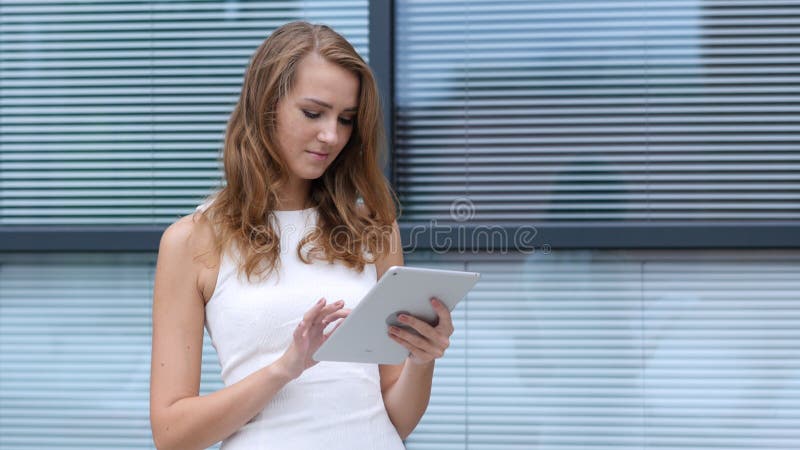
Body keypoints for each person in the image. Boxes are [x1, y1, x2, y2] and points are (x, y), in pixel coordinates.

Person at [149, 21, 454, 449]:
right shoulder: (192, 241)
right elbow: (172, 434)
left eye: (346, 119)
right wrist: (286, 367)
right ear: (265, 106)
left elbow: (395, 421)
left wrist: (422, 360)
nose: (332, 135)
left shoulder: (374, 231)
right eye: (313, 113)